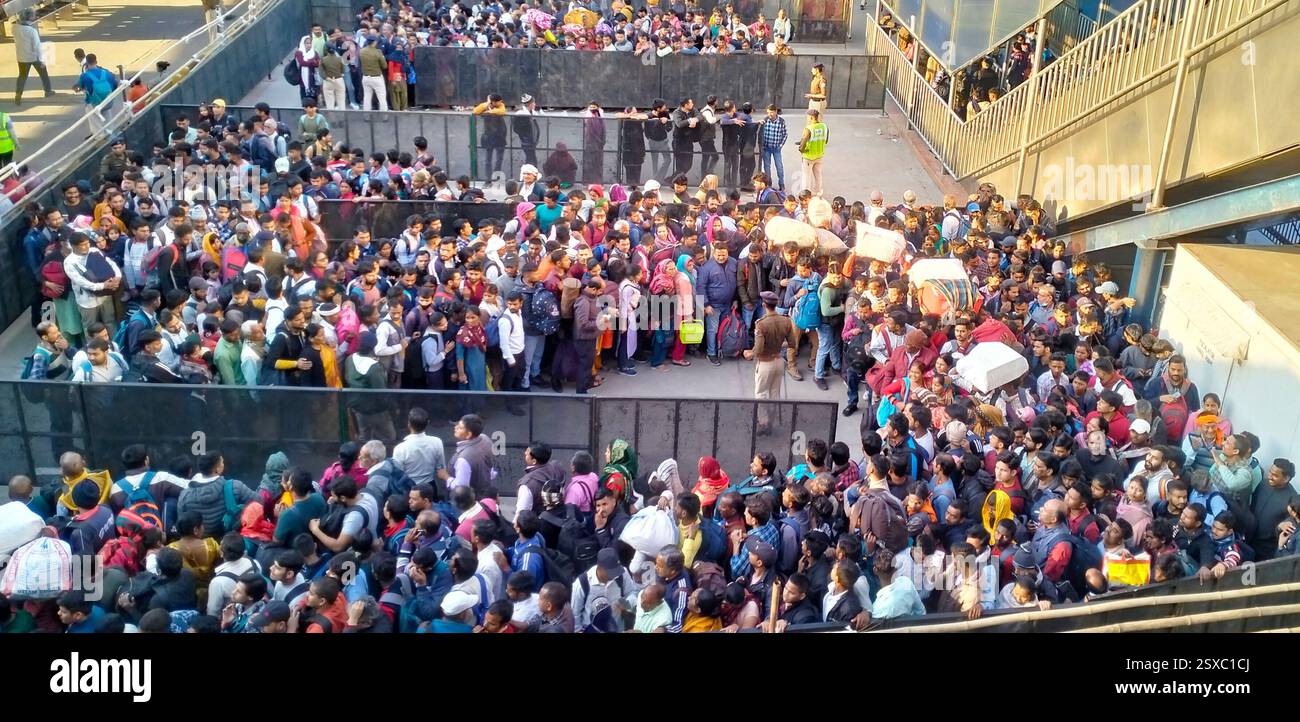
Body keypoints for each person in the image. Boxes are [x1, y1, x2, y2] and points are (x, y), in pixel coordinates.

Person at [798, 108, 828, 197]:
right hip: (819, 156)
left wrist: (802, 150)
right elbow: (825, 141)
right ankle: (819, 193)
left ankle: (805, 196)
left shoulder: (808, 129)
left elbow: (802, 145)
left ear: (811, 117)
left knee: (806, 177)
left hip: (808, 157)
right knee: (818, 176)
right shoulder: (824, 127)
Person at [757, 104, 787, 192]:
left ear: (775, 112)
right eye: (768, 113)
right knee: (767, 167)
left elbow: (785, 134)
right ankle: (768, 184)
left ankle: (781, 184)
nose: (769, 115)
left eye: (771, 113)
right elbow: (760, 133)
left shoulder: (781, 121)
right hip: (766, 147)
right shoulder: (765, 120)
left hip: (776, 148)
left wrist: (781, 145)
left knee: (779, 167)